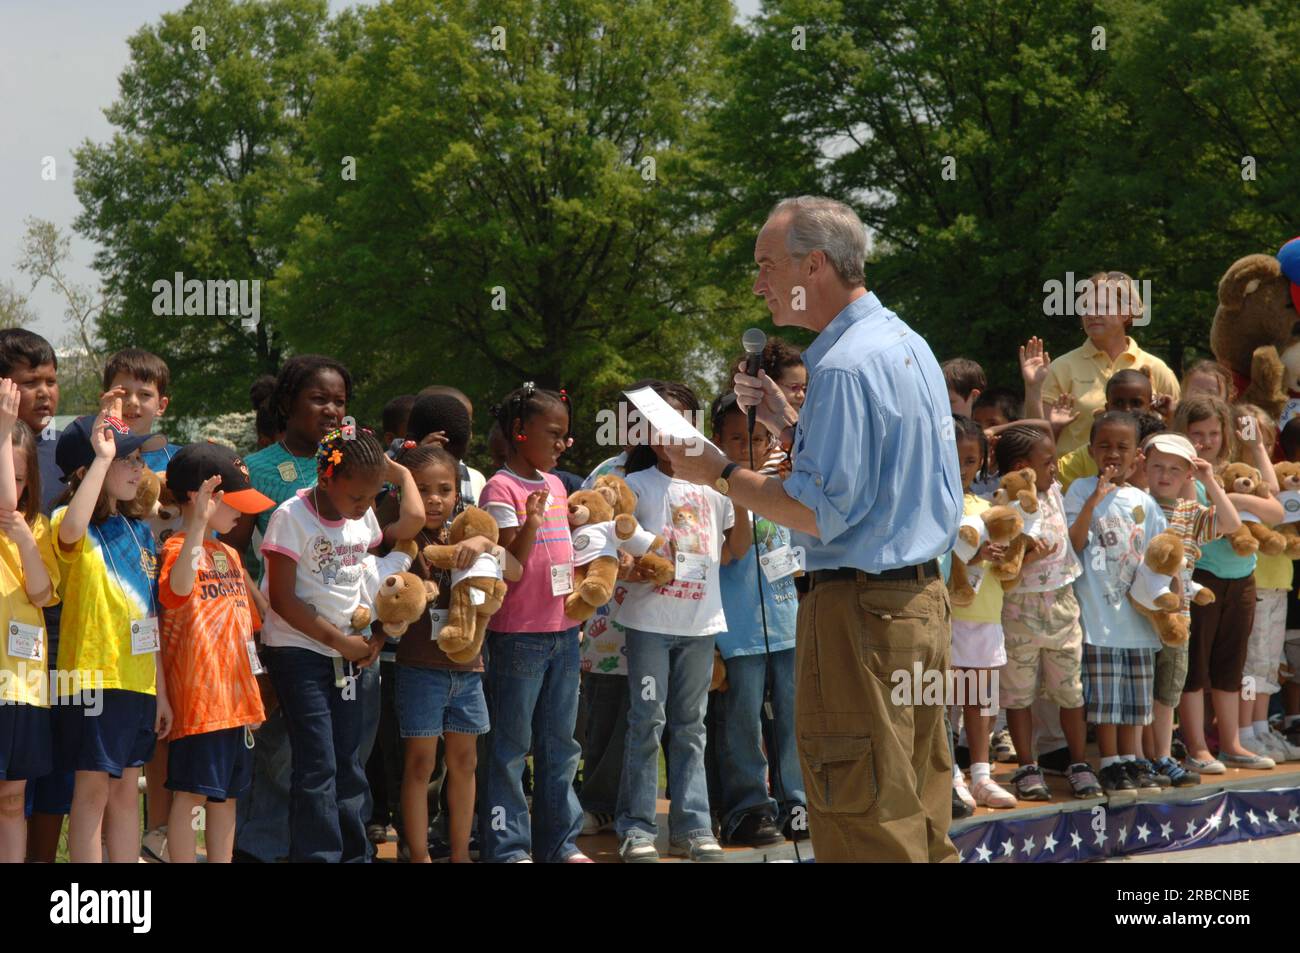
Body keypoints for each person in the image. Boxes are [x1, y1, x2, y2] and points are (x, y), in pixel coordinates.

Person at [663, 195, 962, 862]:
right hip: (916, 604)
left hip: (859, 611)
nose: (757, 281)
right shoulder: (904, 342)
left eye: (767, 264)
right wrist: (794, 426)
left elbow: (819, 511)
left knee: (866, 818)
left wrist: (716, 471)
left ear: (815, 265)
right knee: (918, 806)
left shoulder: (844, 365)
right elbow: (880, 479)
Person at [259, 429, 423, 862]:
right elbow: (281, 600)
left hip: (350, 653)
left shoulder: (362, 514)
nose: (365, 508)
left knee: (350, 760)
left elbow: (371, 570)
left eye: (372, 498)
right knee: (317, 763)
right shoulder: (291, 518)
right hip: (299, 651)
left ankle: (355, 854)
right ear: (327, 478)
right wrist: (339, 643)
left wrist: (372, 639)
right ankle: (318, 856)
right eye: (356, 498)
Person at [613, 385, 750, 863]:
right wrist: (638, 559)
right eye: (663, 427)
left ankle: (693, 826)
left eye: (683, 426)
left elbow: (735, 548)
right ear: (649, 435)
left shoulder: (714, 485)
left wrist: (744, 487)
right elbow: (618, 538)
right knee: (647, 720)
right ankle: (637, 828)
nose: (675, 436)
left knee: (691, 726)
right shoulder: (637, 485)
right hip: (650, 624)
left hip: (700, 623)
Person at [223, 354, 350, 863]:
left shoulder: (354, 461)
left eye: (339, 401)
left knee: (336, 755)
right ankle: (260, 849)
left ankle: (319, 848)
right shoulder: (254, 470)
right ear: (287, 404)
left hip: (344, 636)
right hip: (279, 630)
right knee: (278, 749)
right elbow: (230, 550)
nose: (331, 410)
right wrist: (256, 609)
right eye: (318, 398)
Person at [384, 444, 520, 862]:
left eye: (444, 488)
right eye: (422, 489)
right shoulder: (402, 537)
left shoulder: (466, 533)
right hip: (418, 669)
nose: (435, 498)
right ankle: (420, 854)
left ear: (458, 491)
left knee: (465, 764)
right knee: (420, 766)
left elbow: (515, 570)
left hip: (468, 669)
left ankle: (460, 854)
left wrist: (485, 542)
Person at [52, 391, 171, 862]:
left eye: (140, 458)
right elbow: (69, 531)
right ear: (88, 469)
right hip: (92, 679)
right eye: (129, 459)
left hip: (137, 683)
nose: (138, 468)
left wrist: (160, 690)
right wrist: (104, 455)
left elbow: (151, 618)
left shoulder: (141, 530)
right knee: (93, 793)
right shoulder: (70, 519)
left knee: (125, 793)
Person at [477, 383, 588, 863]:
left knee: (560, 745)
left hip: (563, 633)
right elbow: (509, 565)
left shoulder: (558, 483)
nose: (564, 443)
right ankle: (508, 847)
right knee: (509, 747)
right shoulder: (499, 488)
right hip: (518, 637)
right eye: (555, 433)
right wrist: (529, 523)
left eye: (566, 435)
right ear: (520, 432)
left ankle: (560, 844)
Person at [159, 444, 274, 863]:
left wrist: (254, 697)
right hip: (200, 703)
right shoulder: (175, 550)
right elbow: (181, 587)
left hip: (237, 703)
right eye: (233, 503)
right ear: (198, 497)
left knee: (227, 799)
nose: (242, 513)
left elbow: (247, 631)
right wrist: (198, 526)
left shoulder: (229, 554)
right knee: (191, 799)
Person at [102, 347, 185, 860]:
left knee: (166, 731)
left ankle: (157, 835)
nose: (133, 402)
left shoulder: (177, 461)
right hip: (115, 614)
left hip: (172, 613)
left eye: (145, 394)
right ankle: (109, 844)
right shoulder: (96, 452)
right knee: (116, 739)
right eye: (122, 391)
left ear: (163, 403)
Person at [1174, 395, 1283, 772]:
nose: (1205, 441)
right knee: (1195, 667)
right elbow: (1202, 522)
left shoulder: (1231, 471)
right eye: (1196, 434)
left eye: (1213, 433)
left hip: (1243, 579)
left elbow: (1275, 507)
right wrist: (1233, 501)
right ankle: (1196, 746)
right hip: (1202, 579)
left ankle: (1233, 742)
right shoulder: (1186, 474)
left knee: (1232, 667)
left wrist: (1254, 449)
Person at [991, 425, 1099, 799]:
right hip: (1020, 610)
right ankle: (1026, 766)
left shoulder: (1051, 490)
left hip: (1061, 603)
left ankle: (1079, 762)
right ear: (1023, 467)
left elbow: (1037, 429)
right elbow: (1002, 569)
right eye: (1047, 462)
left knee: (1070, 691)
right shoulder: (1003, 508)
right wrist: (1027, 556)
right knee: (1018, 694)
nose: (1055, 468)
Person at [1064, 412, 1168, 794]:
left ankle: (1130, 758)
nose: (1112, 453)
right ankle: (1109, 761)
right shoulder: (1078, 490)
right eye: (1104, 445)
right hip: (1099, 616)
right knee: (1106, 700)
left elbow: (1160, 553)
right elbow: (1073, 543)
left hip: (1138, 619)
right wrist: (1096, 498)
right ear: (1091, 450)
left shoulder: (1144, 501)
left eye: (1122, 447)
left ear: (1136, 455)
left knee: (1136, 698)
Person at [1140, 432, 1239, 785]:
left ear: (1187, 477)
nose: (1164, 476)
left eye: (1174, 470)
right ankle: (1142, 757)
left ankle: (1163, 755)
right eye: (1157, 467)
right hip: (1136, 619)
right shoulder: (1136, 503)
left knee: (1167, 691)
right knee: (1140, 691)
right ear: (1144, 467)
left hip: (1177, 619)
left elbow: (1230, 524)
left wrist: (1210, 479)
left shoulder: (1189, 512)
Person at [1, 330, 67, 862]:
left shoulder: (39, 521)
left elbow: (44, 591)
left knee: (20, 793)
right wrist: (4, 430)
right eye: (30, 383)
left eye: (51, 380)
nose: (45, 391)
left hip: (29, 678)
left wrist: (24, 533)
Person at [947, 416, 1018, 809]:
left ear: (982, 461)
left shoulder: (991, 508)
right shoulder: (931, 506)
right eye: (954, 458)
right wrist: (971, 556)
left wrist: (1013, 556)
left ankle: (981, 774)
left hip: (986, 614)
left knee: (980, 700)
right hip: (945, 617)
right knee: (944, 699)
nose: (961, 468)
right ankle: (950, 775)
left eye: (970, 460)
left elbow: (1007, 567)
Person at [1041, 272, 1180, 455]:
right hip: (1073, 480)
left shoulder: (1157, 368)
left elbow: (1179, 432)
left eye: (1102, 306)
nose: (1091, 313)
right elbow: (1037, 437)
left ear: (1126, 312)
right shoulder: (1060, 368)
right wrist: (1032, 386)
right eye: (1085, 306)